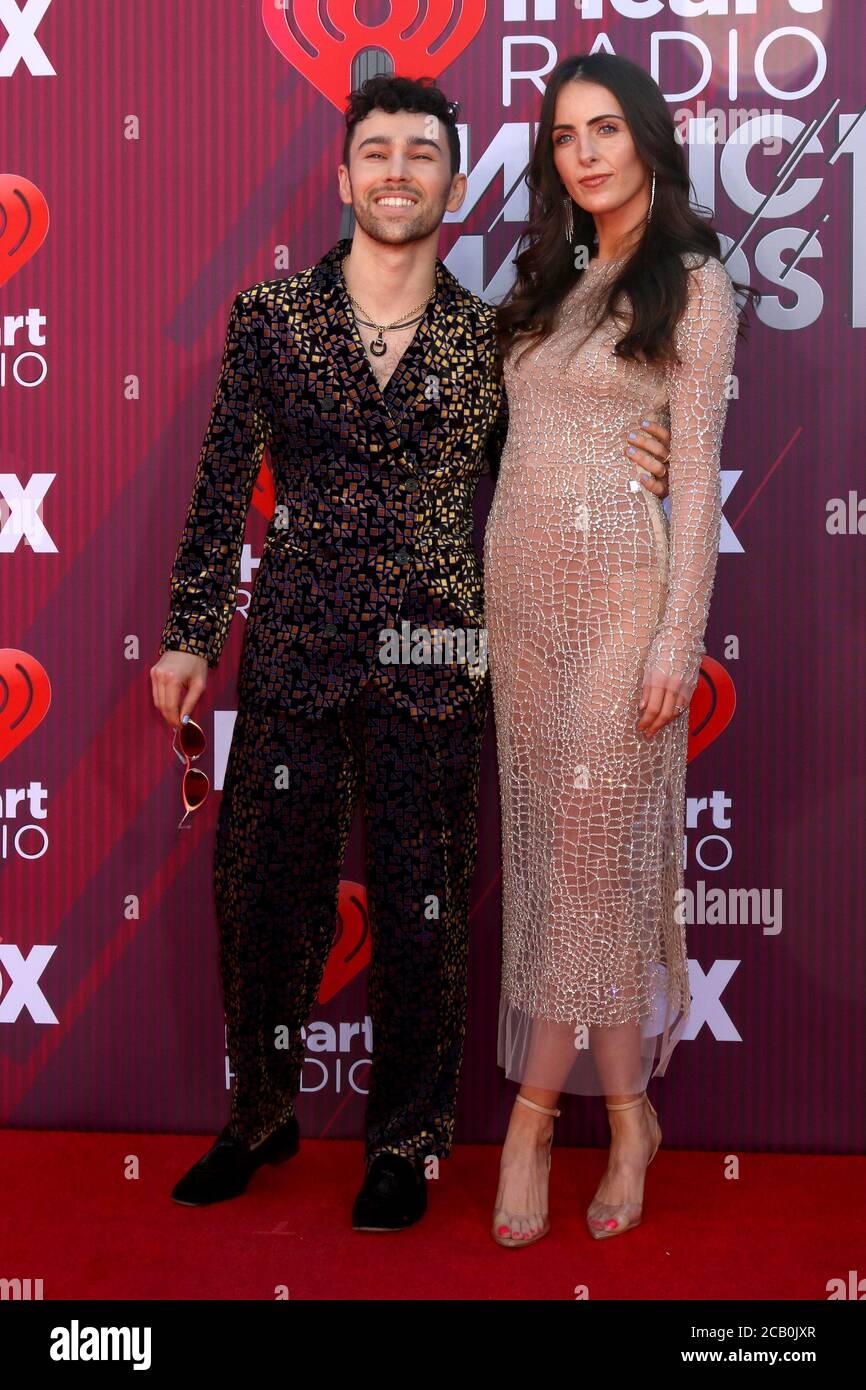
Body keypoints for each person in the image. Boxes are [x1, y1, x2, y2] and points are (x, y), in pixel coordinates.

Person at [150, 74, 673, 1232]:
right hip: (290, 644)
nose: (396, 170)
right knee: (264, 897)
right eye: (374, 150)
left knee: (421, 908)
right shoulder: (269, 318)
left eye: (420, 153)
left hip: (436, 658)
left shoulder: (497, 336)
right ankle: (258, 1114)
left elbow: (564, 451)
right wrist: (192, 631)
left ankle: (406, 1141)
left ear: (452, 179)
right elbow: (219, 485)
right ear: (343, 178)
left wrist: (656, 456)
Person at [483, 53, 757, 1246]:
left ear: (646, 137)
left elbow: (691, 481)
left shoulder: (690, 282)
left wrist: (672, 641)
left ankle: (530, 1122)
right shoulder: (552, 283)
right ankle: (630, 1117)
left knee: (589, 867)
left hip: (618, 614)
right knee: (558, 873)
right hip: (520, 613)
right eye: (562, 137)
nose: (584, 152)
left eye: (605, 129)